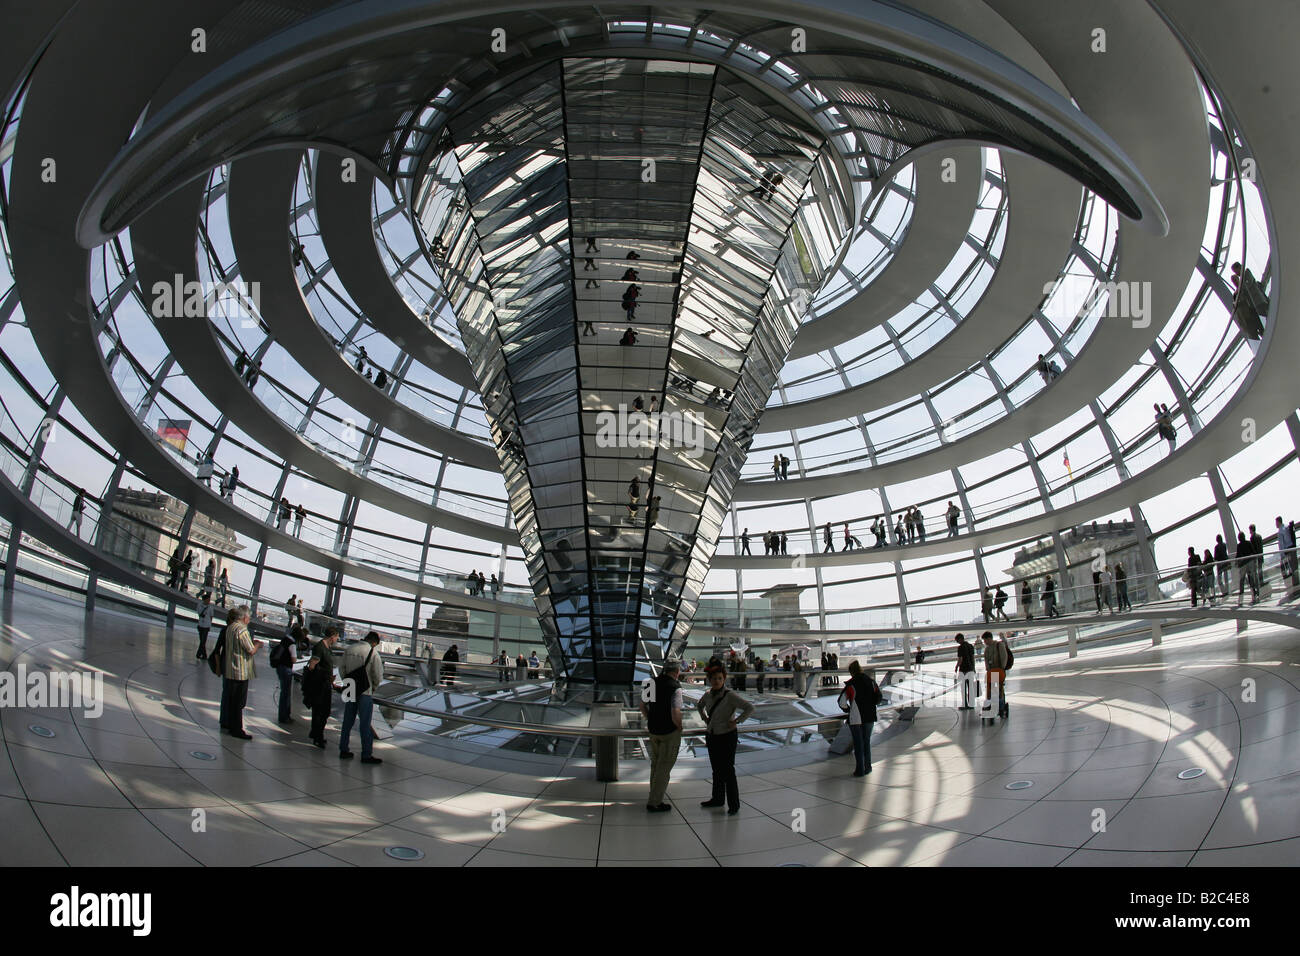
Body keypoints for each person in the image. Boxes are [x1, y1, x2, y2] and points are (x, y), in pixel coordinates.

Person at [697, 665, 754, 815]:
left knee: (728, 770)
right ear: (709, 680)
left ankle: (734, 804)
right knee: (716, 769)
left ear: (724, 679)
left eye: (719, 678)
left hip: (727, 735)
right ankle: (717, 798)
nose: (716, 681)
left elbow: (749, 708)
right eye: (714, 678)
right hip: (712, 734)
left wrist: (736, 721)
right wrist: (704, 718)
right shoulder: (708, 695)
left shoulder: (730, 695)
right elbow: (699, 705)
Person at [641, 660, 683, 812]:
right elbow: (675, 712)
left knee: (656, 765)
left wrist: (650, 718)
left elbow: (642, 705)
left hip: (653, 730)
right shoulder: (675, 687)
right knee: (664, 768)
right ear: (677, 672)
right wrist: (679, 726)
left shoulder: (650, 682)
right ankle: (654, 802)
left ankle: (654, 795)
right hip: (669, 732)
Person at [339, 632, 384, 764]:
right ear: (374, 642)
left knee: (347, 721)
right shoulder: (373, 653)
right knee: (365, 723)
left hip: (350, 688)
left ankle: (343, 749)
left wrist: (348, 682)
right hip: (365, 691)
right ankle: (366, 754)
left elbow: (341, 668)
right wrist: (373, 687)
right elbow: (378, 675)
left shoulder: (350, 649)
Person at [221, 605, 260, 739]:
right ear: (244, 617)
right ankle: (237, 729)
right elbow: (250, 650)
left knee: (231, 701)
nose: (249, 620)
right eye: (249, 618)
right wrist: (258, 645)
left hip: (230, 669)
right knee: (239, 702)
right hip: (241, 672)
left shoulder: (230, 628)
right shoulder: (242, 630)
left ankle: (229, 724)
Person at [837, 660, 881, 776]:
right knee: (866, 742)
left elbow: (841, 701)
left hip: (856, 718)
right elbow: (879, 698)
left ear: (851, 672)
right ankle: (868, 767)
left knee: (858, 744)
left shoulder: (851, 684)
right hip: (870, 716)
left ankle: (859, 770)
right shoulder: (871, 682)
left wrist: (848, 709)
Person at [305, 626, 341, 748]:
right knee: (321, 711)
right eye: (337, 637)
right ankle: (317, 736)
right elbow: (312, 666)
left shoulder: (326, 647)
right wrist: (322, 676)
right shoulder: (320, 648)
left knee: (322, 711)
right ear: (332, 637)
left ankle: (315, 733)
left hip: (325, 683)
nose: (337, 639)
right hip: (319, 685)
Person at [271, 625, 299, 723]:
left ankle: (283, 715)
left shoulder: (285, 639)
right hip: (286, 668)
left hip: (280, 666)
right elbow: (294, 659)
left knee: (284, 692)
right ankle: (284, 716)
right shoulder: (292, 644)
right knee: (286, 693)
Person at [981, 631, 1008, 718]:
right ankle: (992, 704)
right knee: (990, 688)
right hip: (991, 672)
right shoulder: (987, 649)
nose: (985, 642)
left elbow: (1004, 657)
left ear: (989, 638)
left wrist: (1002, 668)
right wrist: (988, 669)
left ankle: (1000, 705)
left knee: (998, 688)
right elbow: (986, 660)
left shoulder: (999, 645)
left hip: (999, 670)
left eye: (985, 640)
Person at [1236, 531, 1259, 603]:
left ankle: (1241, 597)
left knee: (1242, 580)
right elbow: (1253, 552)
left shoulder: (1239, 546)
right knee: (1251, 578)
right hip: (1250, 562)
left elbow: (1238, 556)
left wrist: (1236, 562)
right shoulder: (1248, 543)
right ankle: (1254, 594)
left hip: (1243, 564)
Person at [954, 634, 976, 710]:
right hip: (970, 669)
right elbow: (973, 658)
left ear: (960, 639)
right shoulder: (971, 646)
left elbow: (960, 659)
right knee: (970, 688)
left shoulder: (960, 647)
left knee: (963, 688)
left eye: (957, 640)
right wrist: (973, 668)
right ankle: (971, 704)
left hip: (963, 670)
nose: (957, 642)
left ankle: (965, 704)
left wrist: (956, 666)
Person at [196, 594, 214, 660]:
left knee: (203, 641)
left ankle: (199, 654)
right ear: (204, 599)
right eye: (208, 599)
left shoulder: (210, 607)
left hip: (206, 625)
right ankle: (204, 655)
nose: (209, 601)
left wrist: (210, 624)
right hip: (201, 624)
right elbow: (199, 613)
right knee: (202, 641)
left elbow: (211, 616)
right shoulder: (200, 605)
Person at [1214, 533, 1231, 598]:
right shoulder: (1224, 545)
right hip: (1225, 562)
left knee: (1219, 579)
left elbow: (1216, 557)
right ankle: (1227, 590)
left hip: (1220, 564)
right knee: (1226, 577)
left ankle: (1224, 591)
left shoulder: (1217, 547)